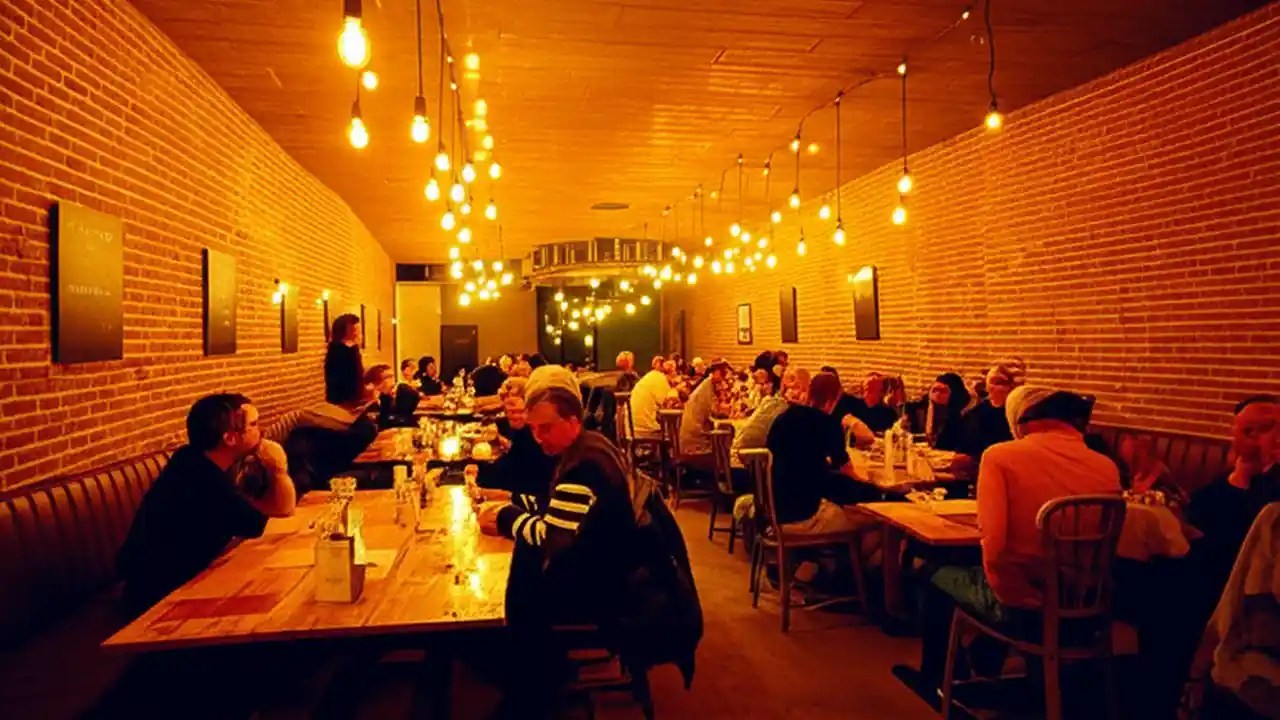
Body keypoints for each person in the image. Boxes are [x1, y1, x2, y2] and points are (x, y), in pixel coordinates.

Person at [477, 366, 701, 717]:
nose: (537, 437)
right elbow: (561, 508)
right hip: (623, 571)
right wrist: (516, 503)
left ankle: (532, 689)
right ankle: (539, 674)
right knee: (520, 574)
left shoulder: (582, 469)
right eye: (533, 427)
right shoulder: (595, 445)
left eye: (545, 427)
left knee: (508, 599)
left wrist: (507, 518)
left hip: (611, 593)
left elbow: (552, 538)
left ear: (572, 418)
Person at [918, 386, 1121, 687]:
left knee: (932, 572)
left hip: (1026, 608)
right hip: (1087, 605)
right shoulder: (1106, 466)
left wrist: (1013, 597)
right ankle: (994, 659)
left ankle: (939, 680)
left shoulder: (1001, 457)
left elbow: (995, 545)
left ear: (1023, 422)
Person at [117, 394, 296, 615]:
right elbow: (277, 515)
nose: (261, 430)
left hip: (166, 586)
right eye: (253, 425)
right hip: (157, 604)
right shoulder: (203, 480)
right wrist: (278, 468)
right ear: (230, 438)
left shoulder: (192, 459)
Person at [765, 372, 877, 536]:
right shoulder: (828, 423)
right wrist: (868, 481)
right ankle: (850, 560)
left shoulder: (783, 418)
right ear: (833, 400)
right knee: (872, 518)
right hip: (805, 515)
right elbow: (846, 469)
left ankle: (826, 557)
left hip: (776, 510)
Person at [957, 358, 1026, 472]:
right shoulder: (975, 412)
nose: (995, 387)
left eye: (1000, 382)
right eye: (992, 382)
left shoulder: (1020, 414)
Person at [679, 359, 733, 471]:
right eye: (723, 373)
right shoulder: (706, 390)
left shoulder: (706, 386)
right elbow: (716, 413)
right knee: (727, 438)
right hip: (695, 445)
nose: (726, 379)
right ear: (716, 372)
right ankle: (725, 476)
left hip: (691, 439)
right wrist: (730, 408)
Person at [905, 373, 971, 451]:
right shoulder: (919, 409)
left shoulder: (962, 417)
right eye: (935, 390)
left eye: (942, 391)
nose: (937, 394)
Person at [625, 359, 672, 437]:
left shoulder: (648, 378)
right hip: (647, 431)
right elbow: (668, 404)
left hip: (633, 430)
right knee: (675, 431)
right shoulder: (660, 378)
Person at [324, 314, 363, 405]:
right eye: (355, 329)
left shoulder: (352, 349)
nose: (358, 333)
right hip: (343, 400)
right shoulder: (339, 350)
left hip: (352, 399)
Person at [365, 364, 420, 428]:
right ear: (375, 382)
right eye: (389, 377)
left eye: (392, 377)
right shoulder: (369, 404)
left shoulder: (387, 398)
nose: (393, 382)